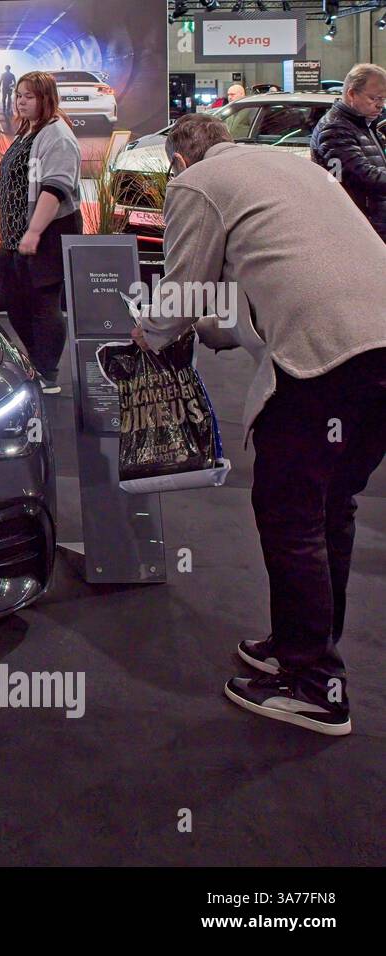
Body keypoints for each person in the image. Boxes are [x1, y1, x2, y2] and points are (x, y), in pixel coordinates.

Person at [131, 113, 386, 736]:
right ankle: (302, 648)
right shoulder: (289, 169)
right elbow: (254, 293)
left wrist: (147, 330)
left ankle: (314, 688)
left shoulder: (198, 184)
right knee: (331, 507)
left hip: (326, 357)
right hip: (376, 349)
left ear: (179, 164)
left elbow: (184, 295)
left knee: (290, 512)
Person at [0, 70, 82, 394]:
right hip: (14, 237)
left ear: (46, 98)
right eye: (19, 95)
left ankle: (48, 373)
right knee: (16, 303)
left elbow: (54, 189)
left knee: (44, 304)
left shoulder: (57, 135)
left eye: (28, 96)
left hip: (45, 236)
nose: (21, 101)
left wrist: (33, 232)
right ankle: (34, 361)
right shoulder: (28, 131)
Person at [311, 63, 386, 243]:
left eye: (383, 100)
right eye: (375, 98)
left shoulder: (363, 124)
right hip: (358, 227)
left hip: (370, 223)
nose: (380, 106)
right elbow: (361, 175)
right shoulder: (335, 128)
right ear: (352, 94)